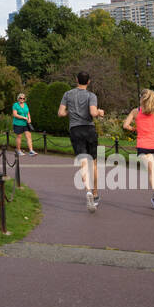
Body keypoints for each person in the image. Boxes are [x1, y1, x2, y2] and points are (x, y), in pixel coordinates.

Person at [59, 71, 106, 212]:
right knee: (94, 163)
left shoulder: (67, 94)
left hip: (75, 130)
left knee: (83, 163)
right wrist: (100, 112)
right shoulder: (91, 96)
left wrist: (70, 112)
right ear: (89, 81)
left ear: (76, 80)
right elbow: (93, 113)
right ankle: (96, 194)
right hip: (89, 130)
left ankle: (88, 191)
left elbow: (60, 113)